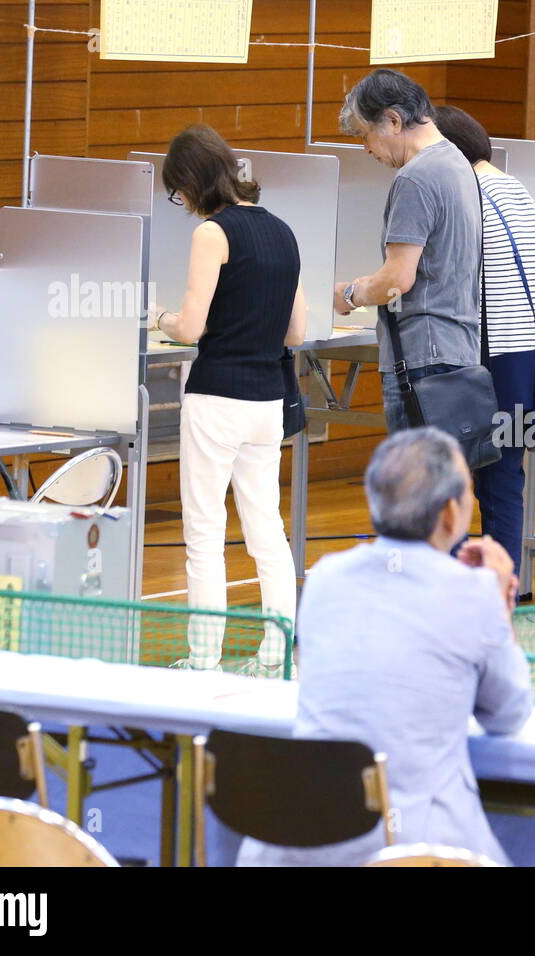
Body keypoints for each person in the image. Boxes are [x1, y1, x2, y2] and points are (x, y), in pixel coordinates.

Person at [236, 427, 533, 866]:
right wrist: (498, 606)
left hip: (294, 838)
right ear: (451, 513)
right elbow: (508, 715)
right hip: (414, 845)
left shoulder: (326, 578)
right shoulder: (470, 593)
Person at [153, 124, 305, 677]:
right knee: (267, 531)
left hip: (216, 397)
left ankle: (203, 659)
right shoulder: (284, 232)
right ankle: (273, 657)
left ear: (192, 183)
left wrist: (157, 318)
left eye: (179, 193)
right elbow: (296, 331)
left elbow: (191, 328)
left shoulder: (212, 234)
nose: (183, 204)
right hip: (267, 402)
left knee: (204, 532)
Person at [433, 105, 535, 580]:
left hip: (483, 352)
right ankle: (506, 584)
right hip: (526, 354)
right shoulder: (519, 190)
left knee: (457, 473)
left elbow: (458, 276)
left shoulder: (465, 191)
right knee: (505, 474)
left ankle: (454, 588)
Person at [333, 69, 481, 434]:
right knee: (445, 484)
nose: (365, 148)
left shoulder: (415, 177)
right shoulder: (458, 163)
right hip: (459, 349)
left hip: (422, 357)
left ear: (394, 120)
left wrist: (350, 294)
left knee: (416, 487)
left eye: (365, 135)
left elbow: (398, 279)